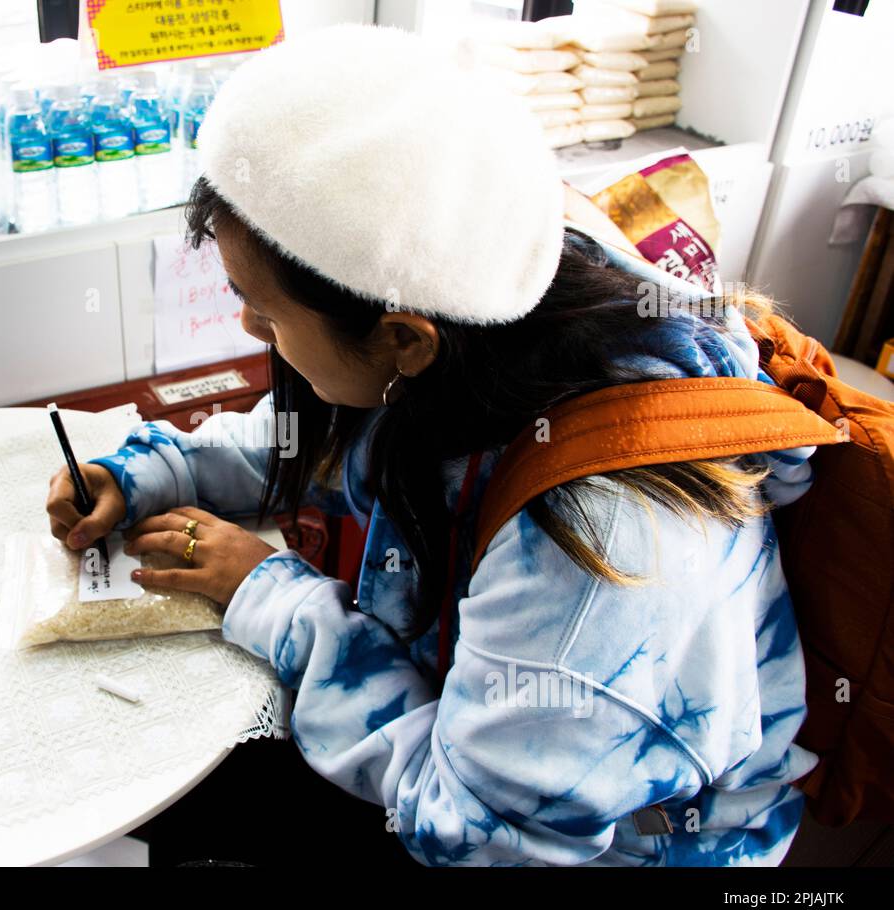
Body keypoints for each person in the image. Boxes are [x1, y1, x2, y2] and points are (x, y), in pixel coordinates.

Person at [45, 24, 817, 866]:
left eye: (264, 316)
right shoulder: (477, 307)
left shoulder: (599, 549)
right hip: (472, 719)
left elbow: (469, 835)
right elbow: (318, 433)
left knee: (195, 789)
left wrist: (269, 596)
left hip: (606, 849)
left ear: (403, 340)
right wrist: (152, 470)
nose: (246, 326)